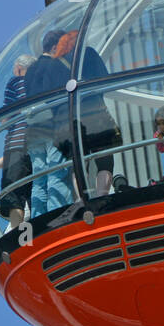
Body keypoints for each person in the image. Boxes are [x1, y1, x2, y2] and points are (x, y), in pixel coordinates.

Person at [22, 29, 75, 216]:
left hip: (33, 129)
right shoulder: (56, 66)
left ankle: (39, 217)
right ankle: (58, 214)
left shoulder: (30, 71)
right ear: (54, 47)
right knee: (57, 171)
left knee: (39, 177)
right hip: (53, 126)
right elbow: (61, 100)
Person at [0, 54, 36, 229]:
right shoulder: (38, 84)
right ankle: (28, 233)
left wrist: (5, 121)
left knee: (13, 197)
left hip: (18, 146)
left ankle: (18, 235)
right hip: (35, 147)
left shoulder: (15, 82)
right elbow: (15, 157)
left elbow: (5, 118)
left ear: (19, 68)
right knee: (30, 194)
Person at [76, 44, 120, 196]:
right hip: (96, 113)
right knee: (105, 160)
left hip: (72, 115)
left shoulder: (61, 58)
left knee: (79, 162)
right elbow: (105, 81)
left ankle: (81, 199)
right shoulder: (88, 52)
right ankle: (102, 196)